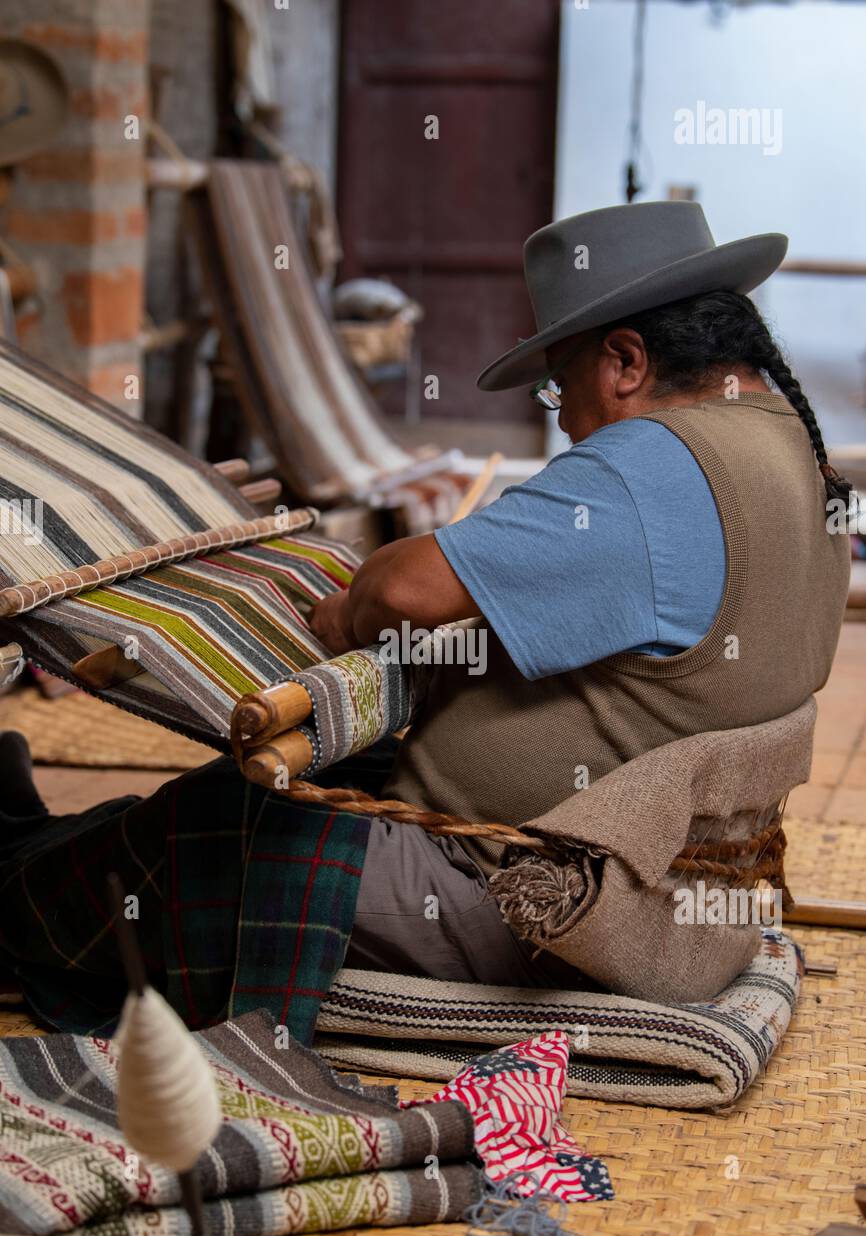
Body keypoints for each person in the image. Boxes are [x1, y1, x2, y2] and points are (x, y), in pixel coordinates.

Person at [0, 201, 851, 1032]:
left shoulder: (652, 466)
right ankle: (23, 844)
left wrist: (342, 617)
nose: (567, 423)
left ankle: (9, 886)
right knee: (223, 801)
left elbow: (407, 590)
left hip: (540, 904)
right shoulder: (790, 448)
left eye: (561, 389)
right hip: (675, 893)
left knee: (211, 838)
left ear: (625, 362)